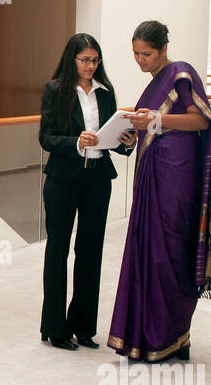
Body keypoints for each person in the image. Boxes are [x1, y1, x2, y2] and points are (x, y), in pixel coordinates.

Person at [107, 20, 211, 362]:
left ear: (163, 50)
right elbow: (149, 124)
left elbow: (201, 121)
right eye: (135, 53)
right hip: (152, 176)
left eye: (146, 53)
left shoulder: (180, 73)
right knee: (147, 251)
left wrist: (157, 122)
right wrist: (134, 132)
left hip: (178, 178)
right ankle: (147, 338)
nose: (140, 60)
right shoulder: (153, 87)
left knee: (172, 250)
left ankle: (173, 335)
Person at [38, 34, 137, 351]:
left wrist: (127, 142)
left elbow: (113, 135)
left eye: (95, 60)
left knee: (91, 252)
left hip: (97, 179)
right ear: (72, 59)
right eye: (85, 60)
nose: (91, 66)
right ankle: (55, 328)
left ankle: (83, 326)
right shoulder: (55, 90)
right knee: (58, 251)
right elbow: (46, 138)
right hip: (63, 178)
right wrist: (75, 142)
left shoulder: (104, 93)